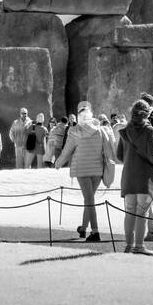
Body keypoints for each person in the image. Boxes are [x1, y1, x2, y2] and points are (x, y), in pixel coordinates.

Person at [56, 102, 115, 243]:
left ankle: (95, 231)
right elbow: (108, 150)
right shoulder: (101, 130)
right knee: (89, 199)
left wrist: (58, 163)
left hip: (82, 169)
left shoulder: (75, 131)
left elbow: (66, 151)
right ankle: (83, 228)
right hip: (97, 169)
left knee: (89, 200)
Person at [116, 100, 153, 255]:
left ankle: (129, 245)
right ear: (147, 114)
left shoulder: (125, 130)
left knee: (129, 212)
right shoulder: (149, 130)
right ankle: (139, 246)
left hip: (128, 176)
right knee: (142, 213)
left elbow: (119, 155)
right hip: (144, 177)